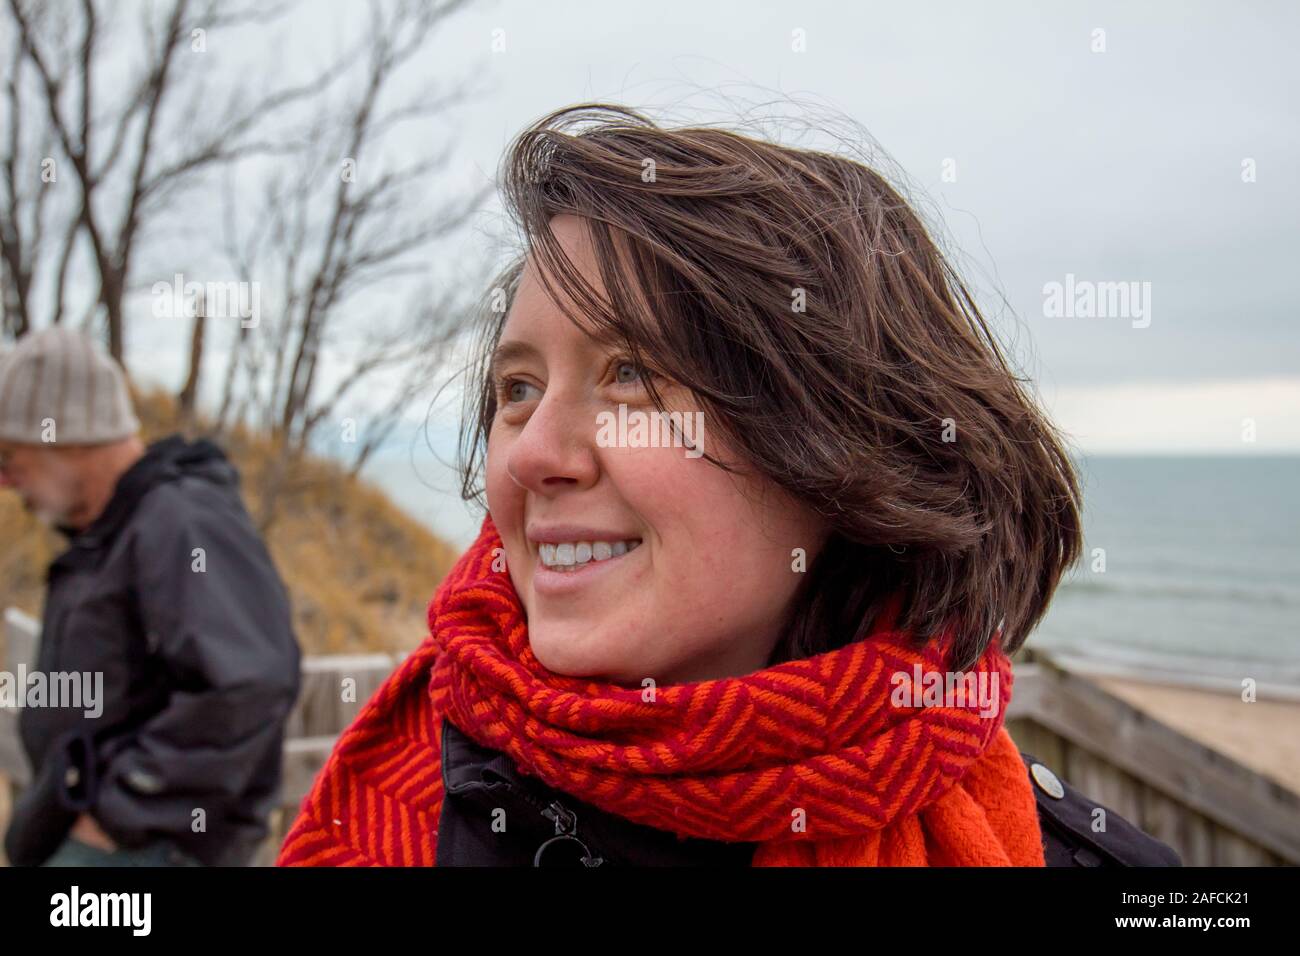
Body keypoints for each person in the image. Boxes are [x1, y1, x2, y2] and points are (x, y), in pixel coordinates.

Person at [278, 103, 1180, 867]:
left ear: (838, 443)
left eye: (629, 373)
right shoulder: (401, 797)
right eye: (517, 389)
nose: (527, 456)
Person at [0, 326, 301, 867]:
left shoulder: (182, 521)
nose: (5, 481)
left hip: (147, 848)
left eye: (9, 456)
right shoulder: (118, 527)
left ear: (62, 438)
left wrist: (121, 811)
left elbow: (249, 682)